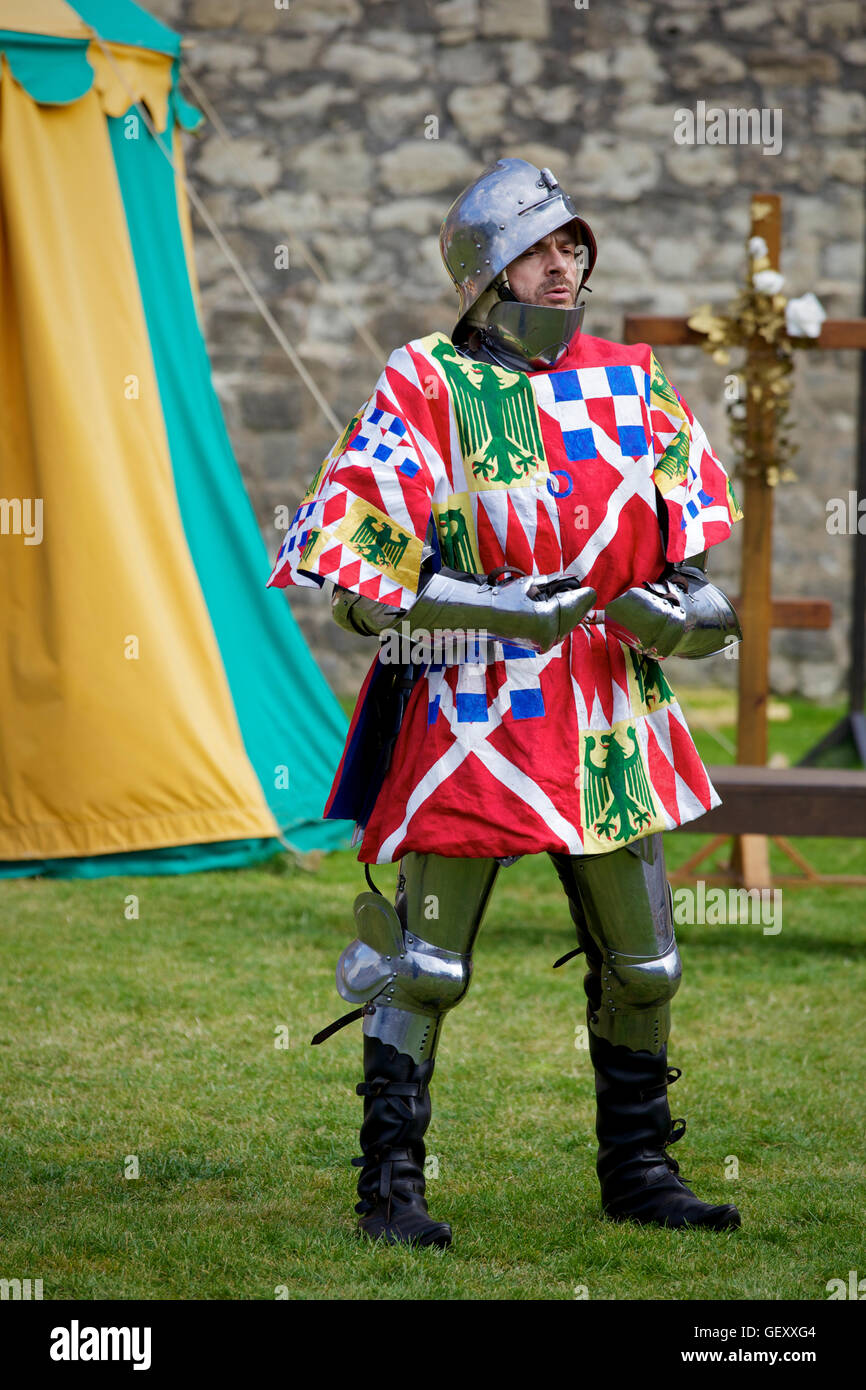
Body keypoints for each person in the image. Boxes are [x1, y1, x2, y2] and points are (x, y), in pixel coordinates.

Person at [267, 158, 744, 1248]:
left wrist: (672, 618)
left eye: (572, 243)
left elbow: (695, 574)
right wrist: (491, 606)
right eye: (539, 247)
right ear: (487, 271)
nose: (562, 262)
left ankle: (639, 1171)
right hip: (472, 703)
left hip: (607, 703)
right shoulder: (424, 380)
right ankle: (389, 1185)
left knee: (647, 964)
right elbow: (352, 571)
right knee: (426, 968)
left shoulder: (629, 380)